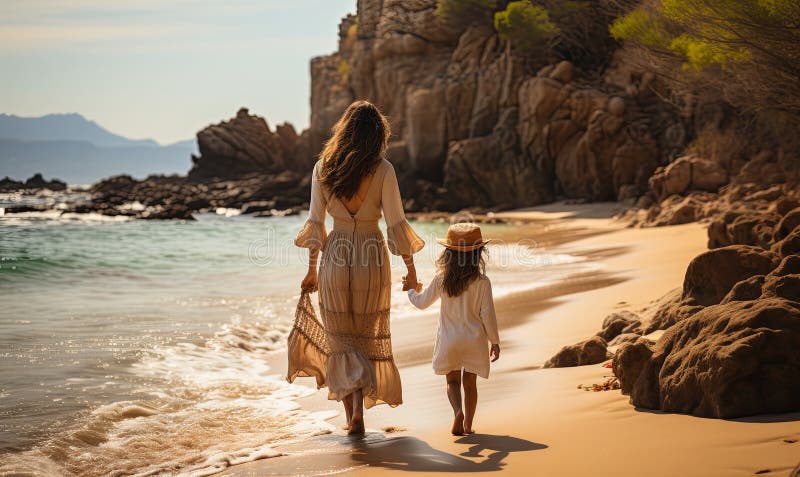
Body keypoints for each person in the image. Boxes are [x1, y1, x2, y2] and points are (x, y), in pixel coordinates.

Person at [291, 100, 425, 435]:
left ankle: (352, 413)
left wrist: (311, 270)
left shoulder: (323, 168)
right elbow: (396, 224)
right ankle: (358, 413)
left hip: (335, 256)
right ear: (378, 133)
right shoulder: (384, 170)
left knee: (340, 338)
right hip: (371, 255)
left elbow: (315, 223)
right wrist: (411, 271)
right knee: (365, 335)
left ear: (344, 130)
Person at [405, 222, 500, 436]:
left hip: (450, 341)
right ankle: (468, 426)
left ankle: (457, 412)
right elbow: (488, 315)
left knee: (452, 382)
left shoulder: (442, 278)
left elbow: (421, 302)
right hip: (474, 340)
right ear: (478, 254)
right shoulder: (483, 282)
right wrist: (494, 341)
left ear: (448, 253)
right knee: (470, 384)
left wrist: (411, 290)